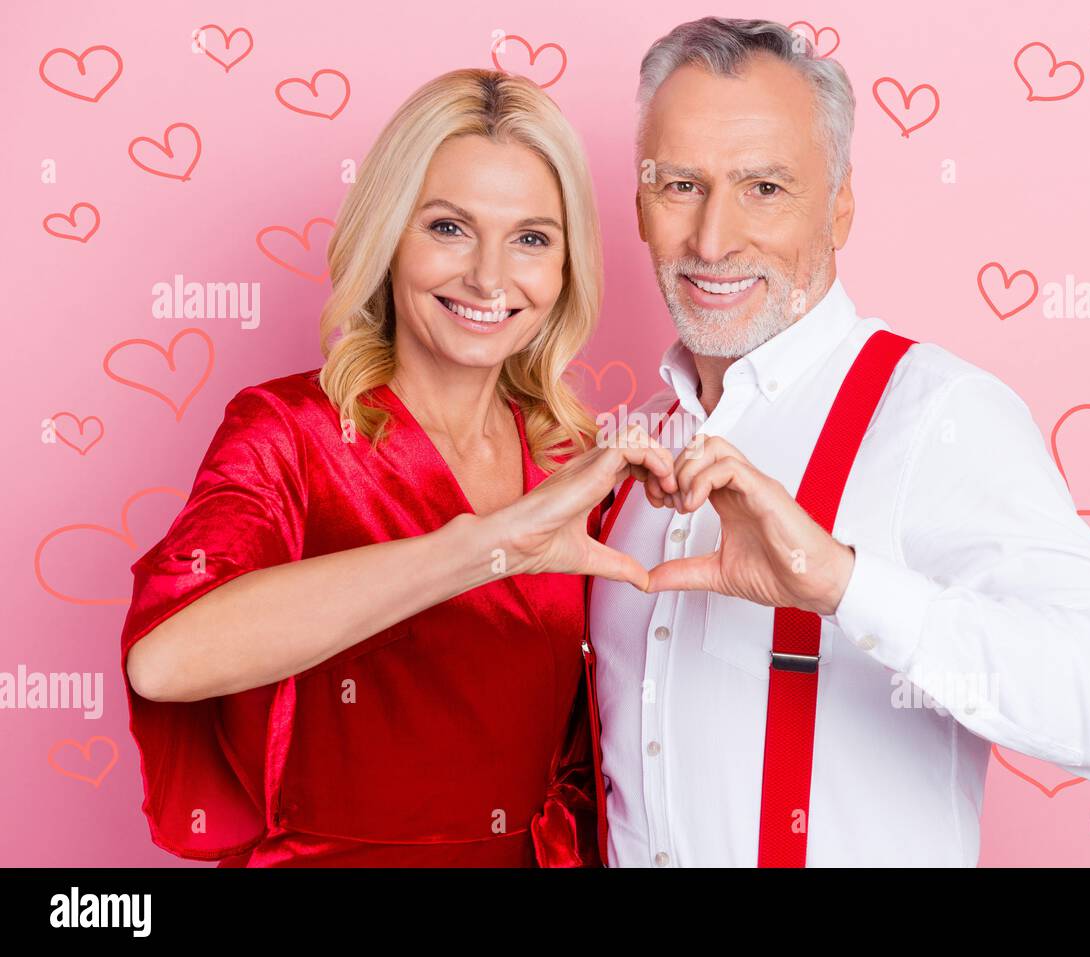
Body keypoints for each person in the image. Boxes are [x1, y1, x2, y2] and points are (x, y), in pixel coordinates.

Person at [585, 17, 1090, 867]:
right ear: (640, 203)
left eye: (764, 187)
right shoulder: (629, 450)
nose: (713, 239)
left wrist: (843, 582)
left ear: (840, 206)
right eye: (681, 184)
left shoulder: (937, 415)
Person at [119, 68, 676, 867]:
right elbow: (164, 659)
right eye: (449, 227)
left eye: (530, 238)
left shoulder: (567, 458)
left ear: (563, 270)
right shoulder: (289, 433)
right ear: (389, 235)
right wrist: (481, 546)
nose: (489, 276)